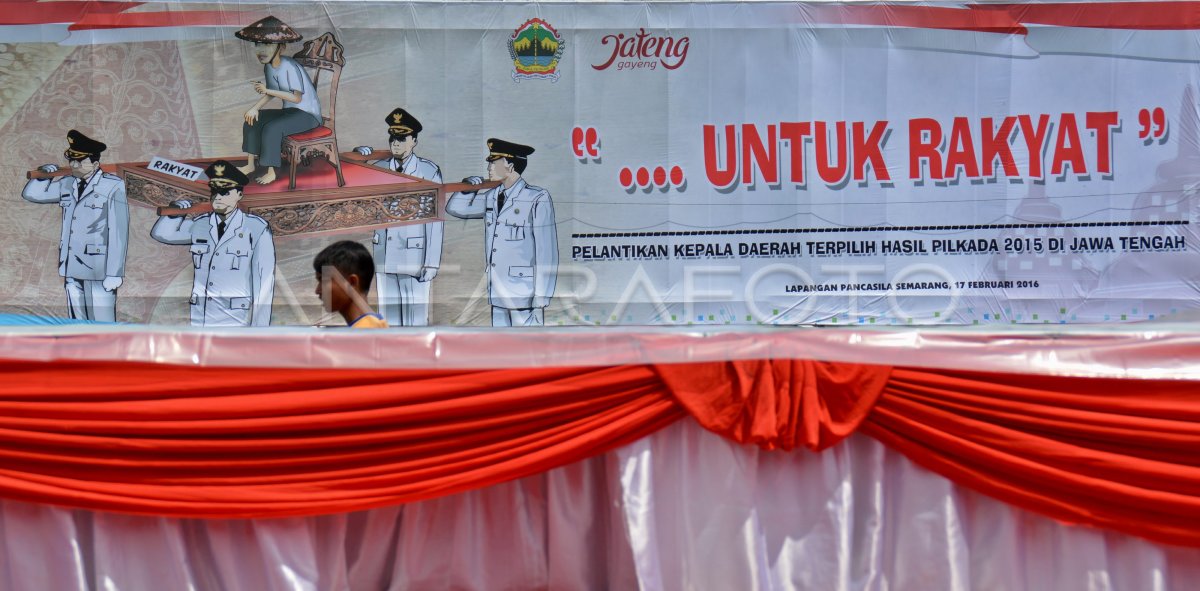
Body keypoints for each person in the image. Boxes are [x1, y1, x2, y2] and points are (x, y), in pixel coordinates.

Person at [446, 138, 558, 327]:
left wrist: (542, 297)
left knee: (528, 349)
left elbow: (546, 251)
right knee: (501, 349)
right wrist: (468, 190)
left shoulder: (536, 197)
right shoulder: (492, 196)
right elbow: (457, 209)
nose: (489, 167)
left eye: (494, 162)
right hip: (498, 291)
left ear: (511, 166)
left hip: (525, 294)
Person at [151, 160, 276, 327]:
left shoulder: (256, 228)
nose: (218, 198)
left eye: (225, 193)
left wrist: (259, 330)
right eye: (215, 193)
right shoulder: (201, 224)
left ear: (239, 195)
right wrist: (175, 214)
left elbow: (264, 283)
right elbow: (162, 234)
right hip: (201, 316)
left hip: (237, 319)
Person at [22, 129, 128, 322]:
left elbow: (118, 232)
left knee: (102, 324)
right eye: (71, 160)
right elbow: (33, 195)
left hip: (99, 268)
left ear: (95, 163)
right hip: (71, 265)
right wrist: (42, 177)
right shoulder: (67, 183)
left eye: (79, 161)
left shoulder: (112, 185)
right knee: (76, 324)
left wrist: (115, 273)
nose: (73, 165)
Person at [352, 107, 443, 326]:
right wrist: (360, 158)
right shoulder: (380, 168)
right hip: (385, 255)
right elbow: (356, 185)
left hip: (415, 256)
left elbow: (435, 220)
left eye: (402, 138)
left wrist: (431, 263)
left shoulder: (428, 171)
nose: (396, 143)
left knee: (416, 320)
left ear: (414, 141)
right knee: (389, 320)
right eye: (393, 138)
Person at [235, 16, 321, 186]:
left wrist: (267, 90)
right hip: (291, 112)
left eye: (267, 44)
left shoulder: (289, 66)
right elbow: (272, 93)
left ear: (280, 47)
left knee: (272, 128)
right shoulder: (268, 66)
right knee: (253, 119)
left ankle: (271, 172)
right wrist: (254, 108)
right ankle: (251, 164)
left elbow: (296, 97)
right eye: (257, 44)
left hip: (308, 115)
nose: (260, 49)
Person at [312, 240, 387, 328]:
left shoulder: (363, 334)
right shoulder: (376, 324)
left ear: (351, 282)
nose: (317, 291)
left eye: (324, 281)